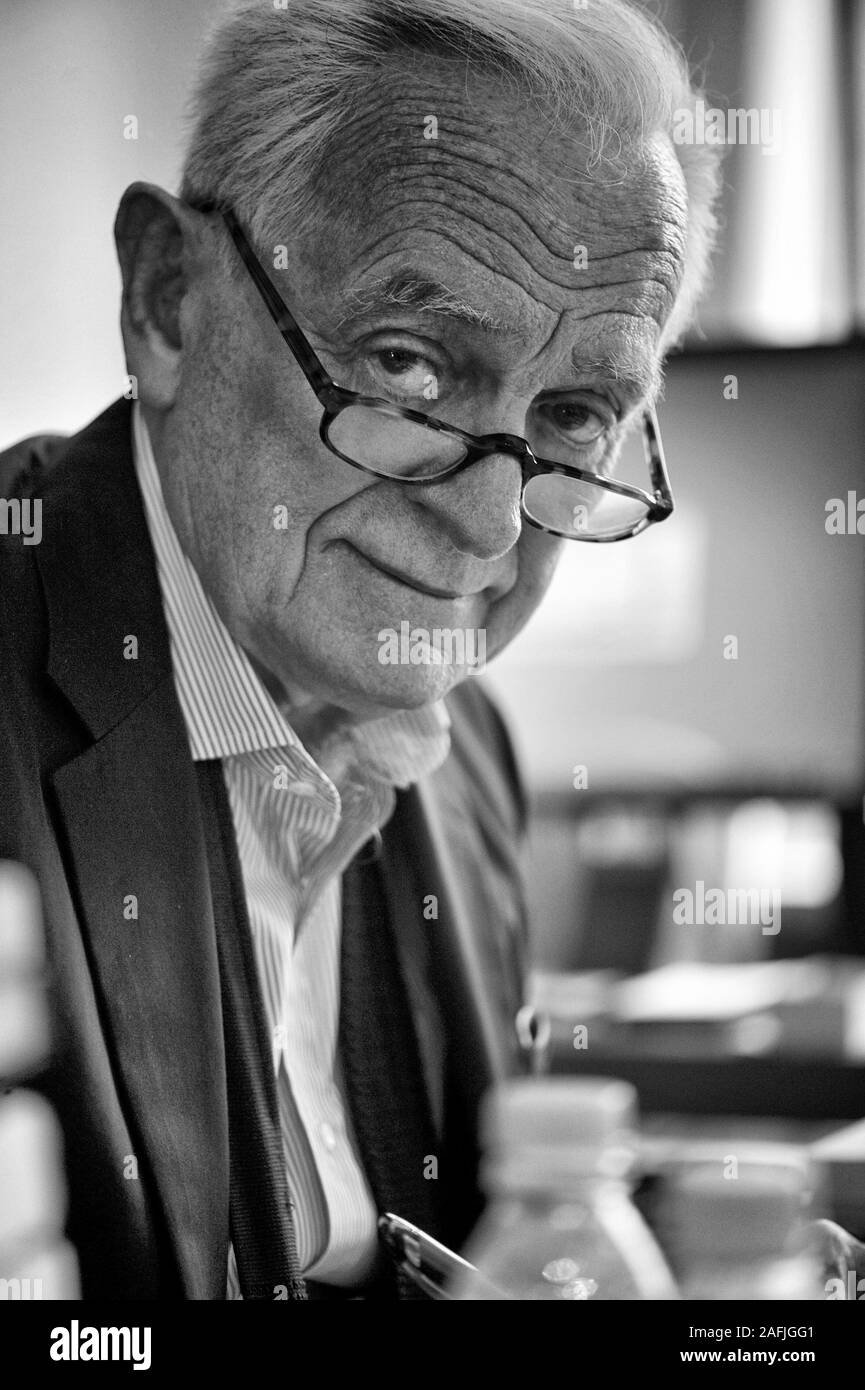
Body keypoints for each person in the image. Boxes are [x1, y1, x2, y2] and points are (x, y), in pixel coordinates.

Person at [0, 0, 721, 1299]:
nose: (490, 518)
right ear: (167, 300)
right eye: (407, 365)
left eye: (572, 414)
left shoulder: (467, 744)